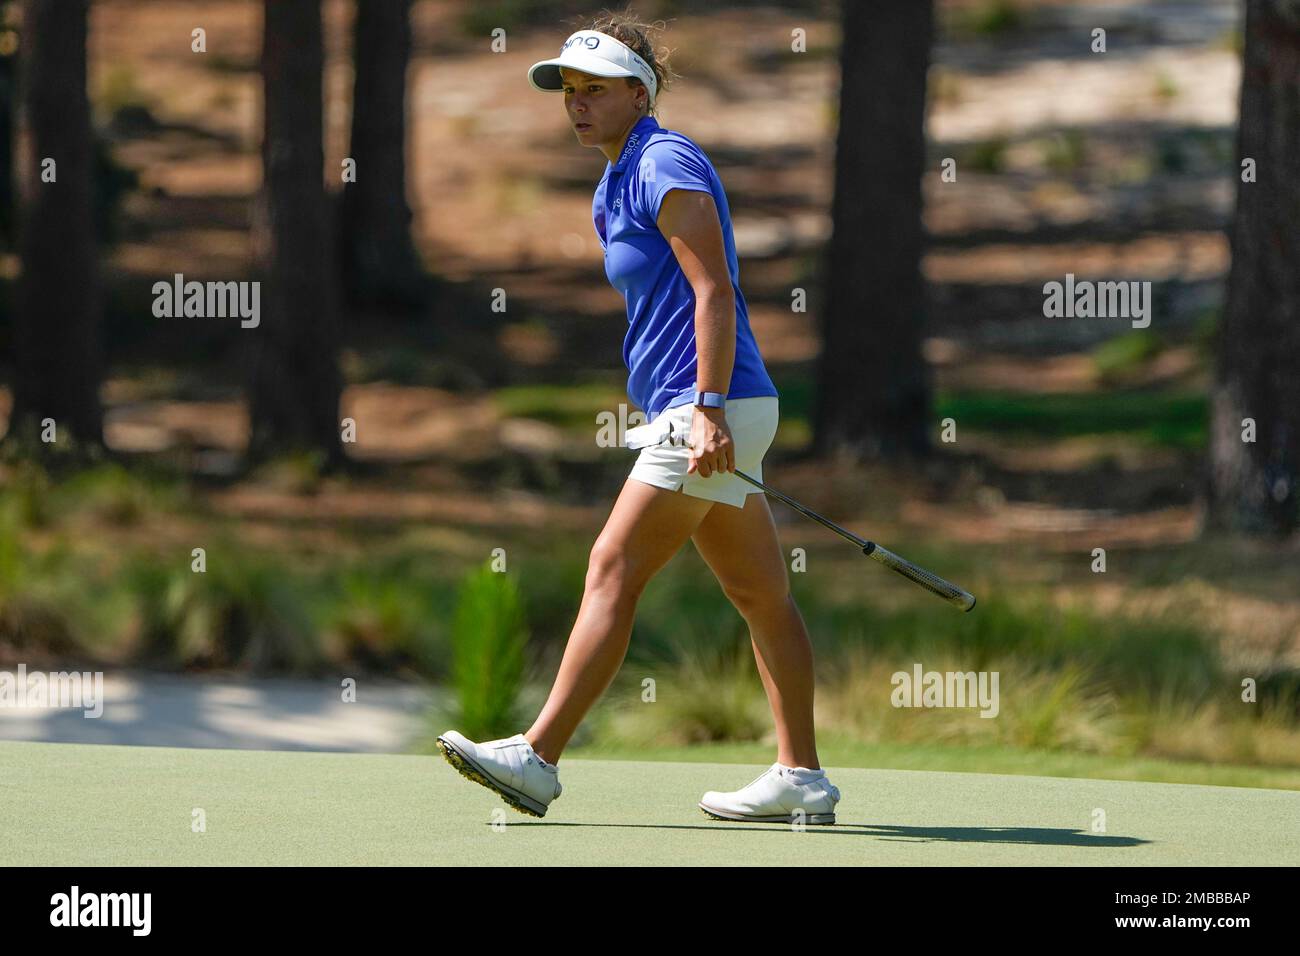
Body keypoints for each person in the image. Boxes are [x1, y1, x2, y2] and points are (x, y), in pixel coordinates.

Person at [437, 12, 840, 825]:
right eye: (569, 93)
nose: (577, 104)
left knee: (611, 565)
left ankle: (539, 757)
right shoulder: (614, 179)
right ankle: (801, 776)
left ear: (637, 93)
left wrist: (708, 407)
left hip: (710, 405)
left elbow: (714, 288)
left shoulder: (664, 159)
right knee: (762, 596)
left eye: (594, 91)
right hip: (703, 407)